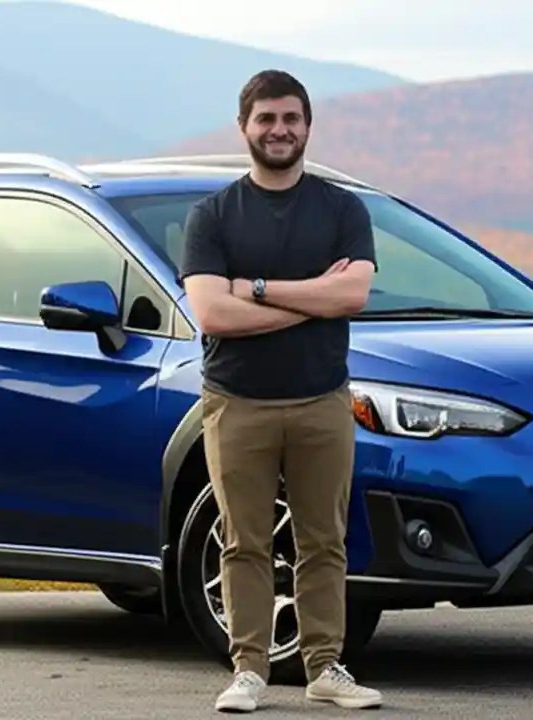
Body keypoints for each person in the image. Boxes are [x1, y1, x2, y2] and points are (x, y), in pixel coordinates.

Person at [179, 69, 383, 713]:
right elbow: (213, 314)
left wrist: (260, 289)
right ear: (244, 127)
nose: (279, 130)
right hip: (237, 401)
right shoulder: (212, 216)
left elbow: (352, 294)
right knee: (245, 539)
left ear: (307, 126)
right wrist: (312, 299)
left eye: (291, 118)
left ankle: (326, 667)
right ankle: (249, 671)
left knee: (325, 539)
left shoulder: (343, 209)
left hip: (322, 398)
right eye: (266, 118)